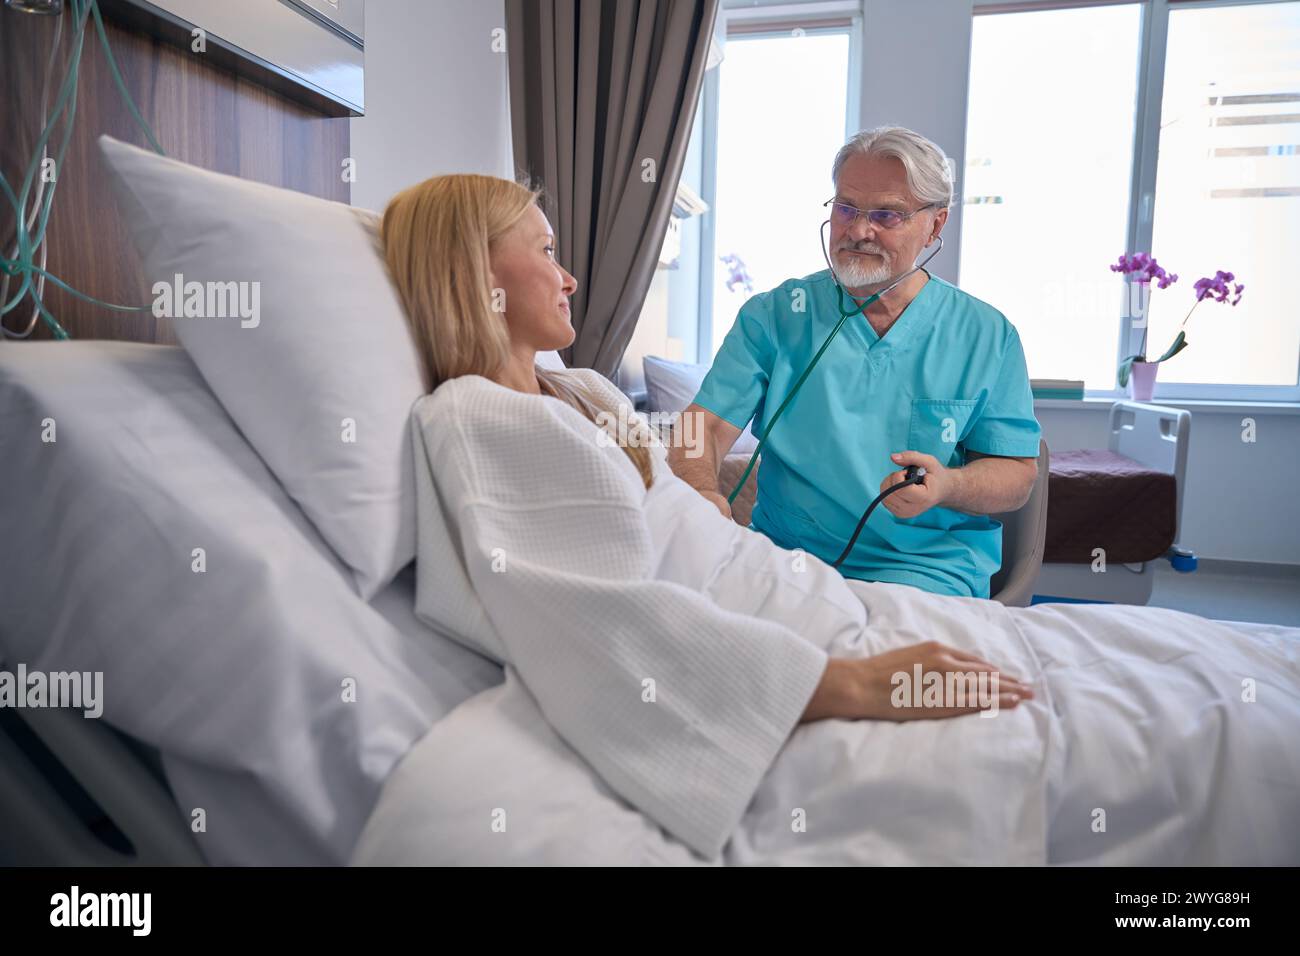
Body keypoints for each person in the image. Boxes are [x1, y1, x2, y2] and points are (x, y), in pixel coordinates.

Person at [669, 127, 1040, 599]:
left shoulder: (987, 335)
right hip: (787, 563)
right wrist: (701, 492)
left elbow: (1017, 474)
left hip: (925, 571)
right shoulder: (775, 316)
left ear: (936, 224)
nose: (859, 230)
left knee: (893, 667)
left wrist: (950, 485)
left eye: (887, 214)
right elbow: (700, 428)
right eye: (847, 208)